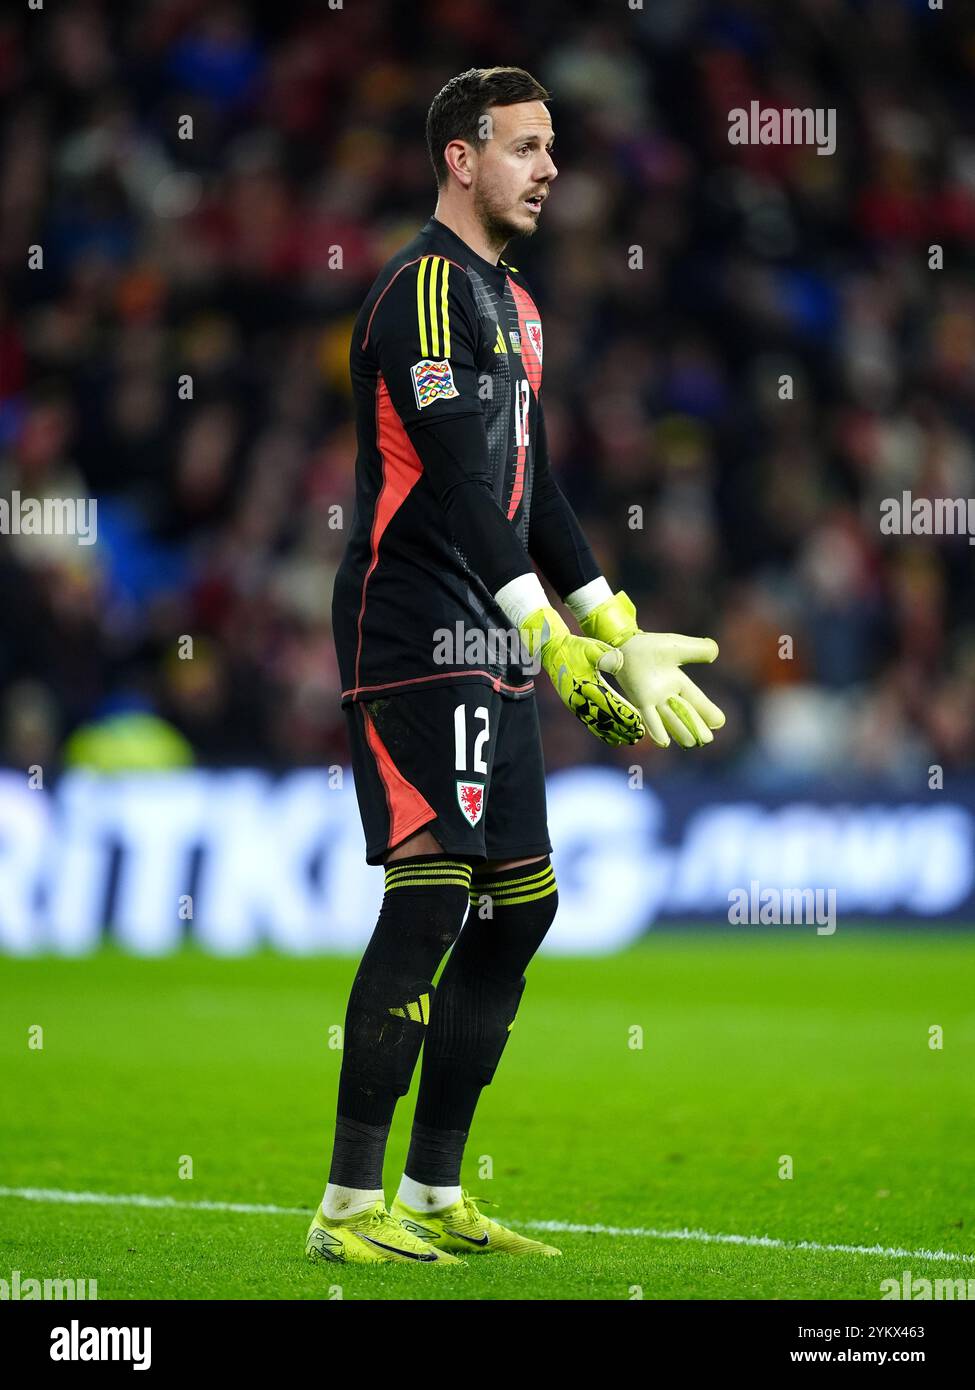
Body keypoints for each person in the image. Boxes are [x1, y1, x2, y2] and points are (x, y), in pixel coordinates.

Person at [306, 66, 725, 1267]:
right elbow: (445, 472)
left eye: (555, 148)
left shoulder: (518, 307)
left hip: (495, 627)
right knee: (432, 895)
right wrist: (549, 633)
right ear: (460, 156)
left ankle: (435, 1190)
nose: (551, 169)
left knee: (522, 906)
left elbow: (526, 486)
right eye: (529, 148)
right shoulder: (421, 291)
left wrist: (612, 620)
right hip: (412, 624)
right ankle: (347, 1205)